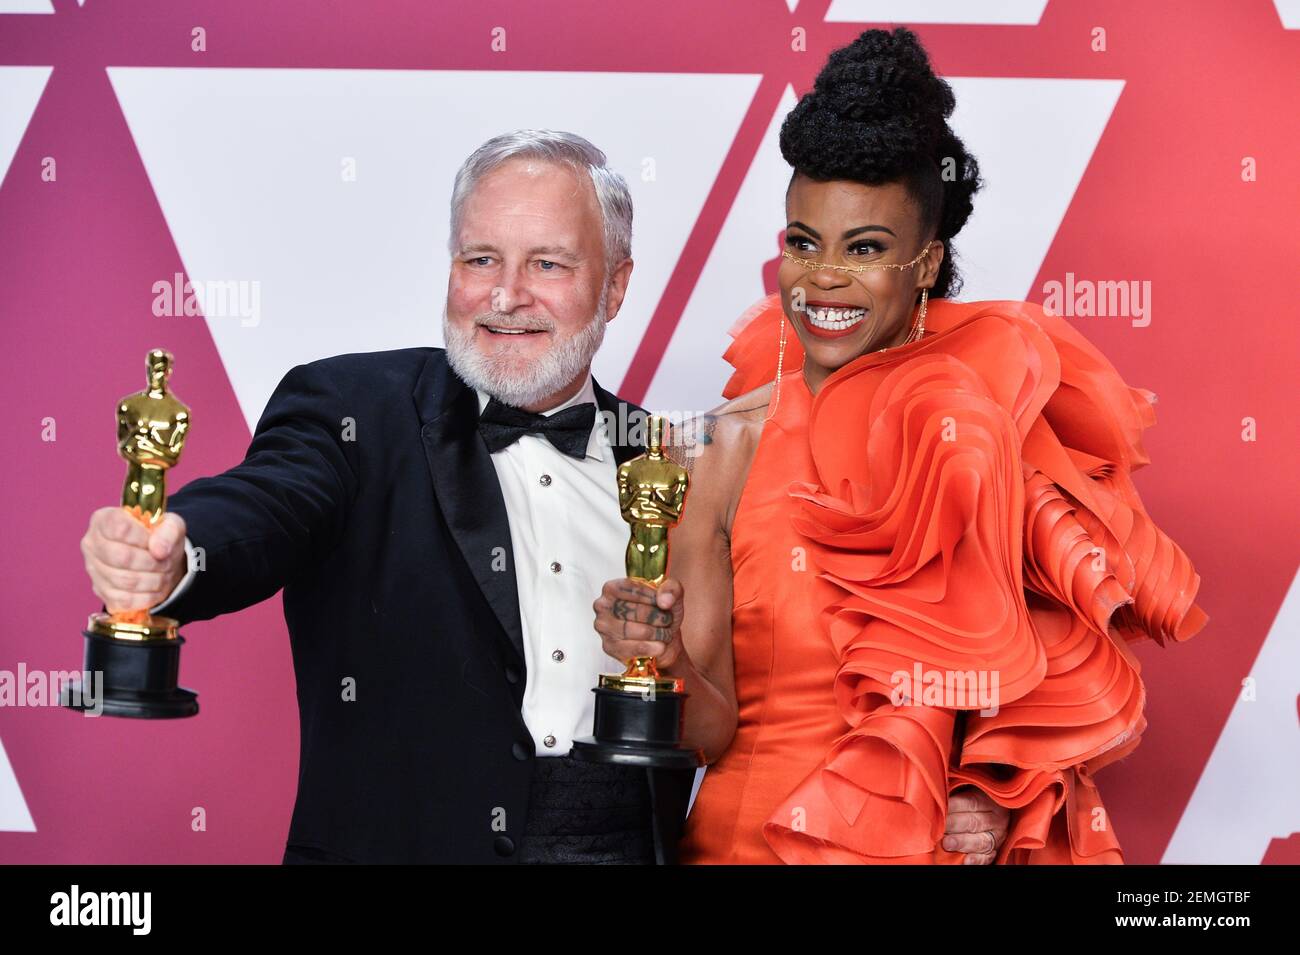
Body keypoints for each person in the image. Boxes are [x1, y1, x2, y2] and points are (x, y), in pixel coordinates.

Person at [593, 27, 1206, 864]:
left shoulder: (1001, 426)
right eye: (803, 243)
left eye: (866, 249)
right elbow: (709, 730)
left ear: (926, 263)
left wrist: (996, 797)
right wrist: (662, 661)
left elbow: (1050, 698)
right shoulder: (723, 449)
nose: (824, 280)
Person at [77, 129, 722, 864]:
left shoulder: (663, 454)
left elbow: (711, 717)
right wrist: (178, 551)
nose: (506, 294)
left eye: (548, 263)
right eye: (481, 258)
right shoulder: (355, 407)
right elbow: (271, 502)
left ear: (614, 285)